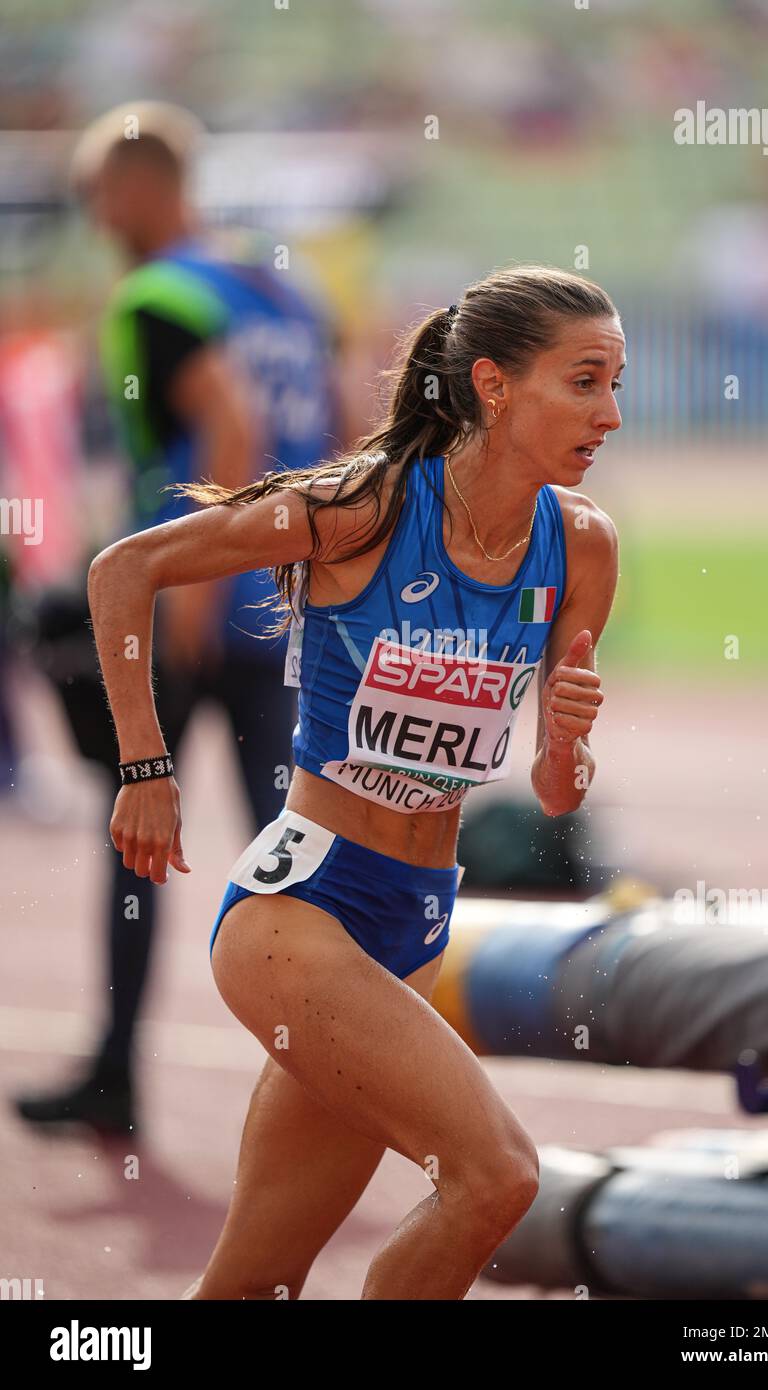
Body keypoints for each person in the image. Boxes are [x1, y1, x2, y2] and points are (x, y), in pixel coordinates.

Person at [88, 264, 623, 1300]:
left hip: (414, 924)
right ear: (494, 385)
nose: (609, 413)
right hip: (303, 911)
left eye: (615, 383)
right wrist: (145, 768)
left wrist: (563, 748)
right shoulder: (362, 507)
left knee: (256, 1281)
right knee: (494, 1178)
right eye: (584, 380)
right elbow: (124, 569)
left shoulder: (581, 547)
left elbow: (557, 798)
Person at [13, 102, 338, 1135]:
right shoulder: (272, 283)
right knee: (284, 850)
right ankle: (341, 1072)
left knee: (139, 830)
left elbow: (232, 421)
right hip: (281, 593)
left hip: (186, 599)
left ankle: (115, 1076)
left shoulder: (157, 296)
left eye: (99, 190)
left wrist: (197, 596)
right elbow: (340, 419)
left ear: (145, 183)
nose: (94, 212)